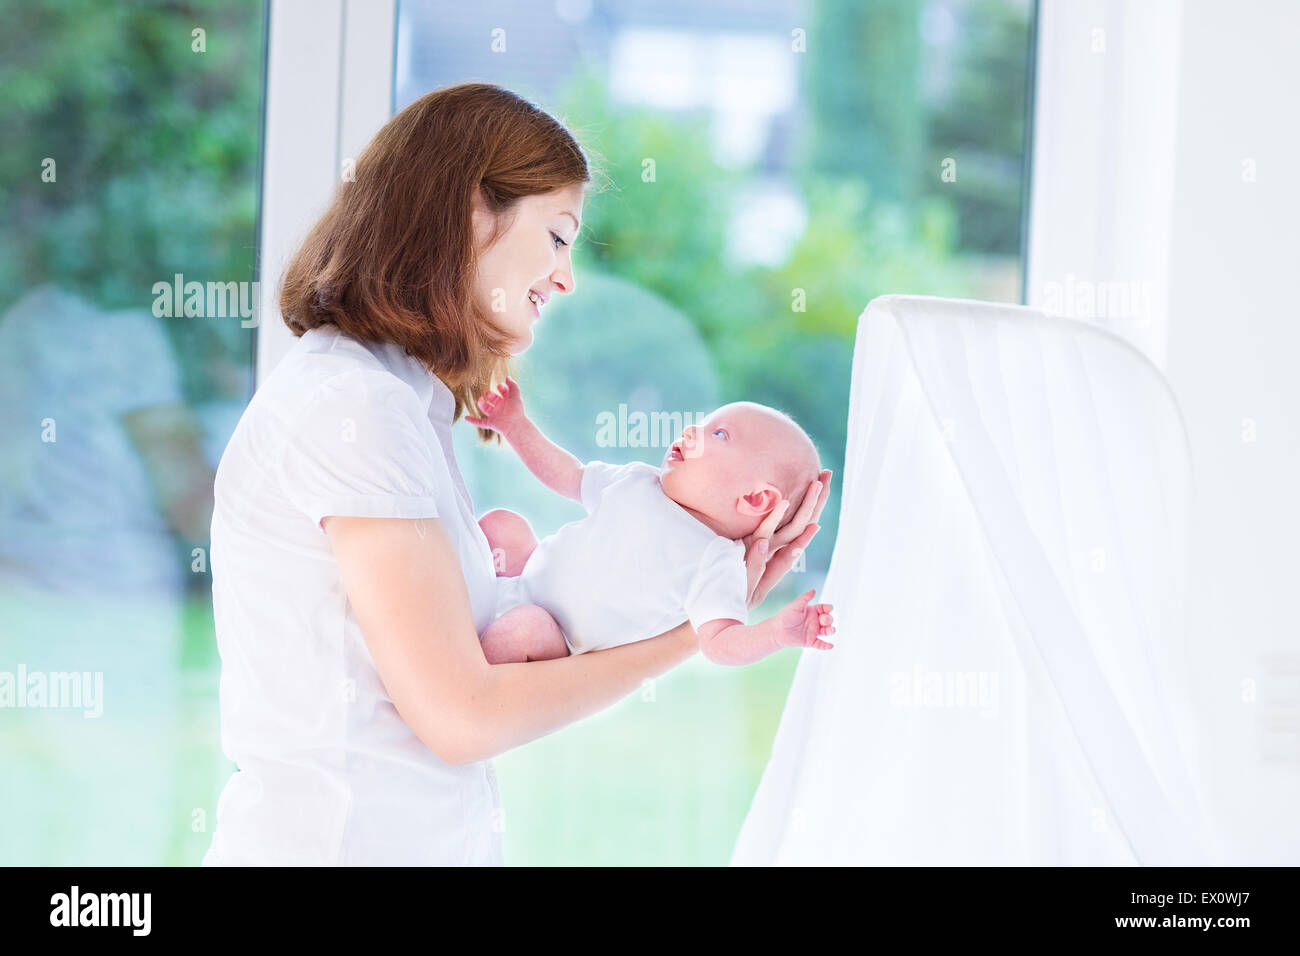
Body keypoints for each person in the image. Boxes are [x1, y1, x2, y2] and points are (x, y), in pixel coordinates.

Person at [201, 83, 830, 866]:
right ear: (471, 213)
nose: (565, 277)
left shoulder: (404, 404)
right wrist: (691, 634)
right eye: (558, 235)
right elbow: (463, 716)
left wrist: (691, 582)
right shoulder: (352, 408)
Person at [468, 383, 834, 665]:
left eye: (719, 434)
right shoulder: (640, 481)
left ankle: (460, 678)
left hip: (555, 636)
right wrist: (516, 427)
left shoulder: (717, 559)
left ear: (755, 499)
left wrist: (775, 634)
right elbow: (569, 474)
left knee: (522, 629)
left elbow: (720, 641)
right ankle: (451, 595)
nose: (692, 430)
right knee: (503, 526)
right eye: (703, 424)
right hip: (525, 576)